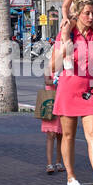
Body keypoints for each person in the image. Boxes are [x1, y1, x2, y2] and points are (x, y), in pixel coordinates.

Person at [55, 0, 93, 185]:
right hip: (68, 88)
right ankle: (70, 175)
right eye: (87, 13)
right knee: (69, 135)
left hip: (90, 89)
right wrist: (63, 50)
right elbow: (53, 66)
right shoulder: (66, 33)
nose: (91, 17)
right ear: (77, 13)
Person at [41, 44, 64, 175]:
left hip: (62, 101)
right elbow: (47, 82)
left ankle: (59, 162)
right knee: (50, 135)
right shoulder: (48, 67)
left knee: (61, 135)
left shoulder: (65, 67)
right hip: (49, 101)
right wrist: (57, 81)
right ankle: (49, 164)